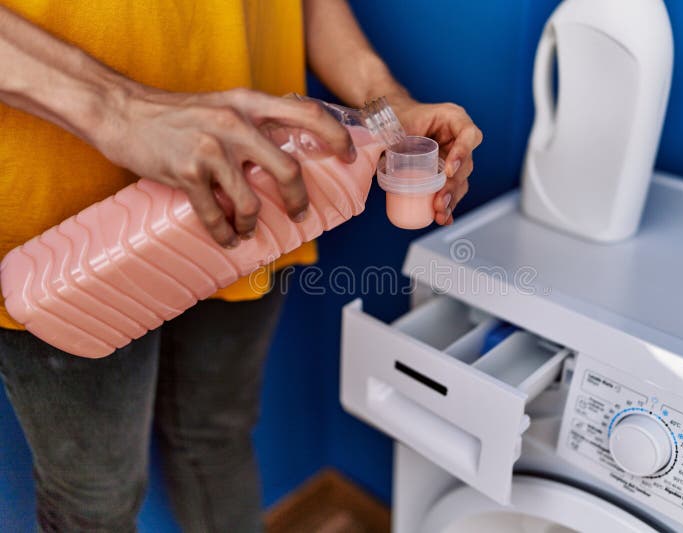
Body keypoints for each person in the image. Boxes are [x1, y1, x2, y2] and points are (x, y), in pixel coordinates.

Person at [0, 1, 482, 531]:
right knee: (97, 498)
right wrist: (119, 109)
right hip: (62, 208)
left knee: (216, 434)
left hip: (261, 183)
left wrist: (385, 105)